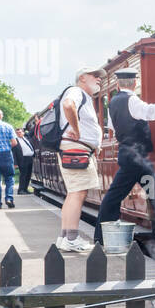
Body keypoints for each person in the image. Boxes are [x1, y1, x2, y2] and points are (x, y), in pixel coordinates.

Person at [95, 71, 155, 244]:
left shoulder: (112, 104)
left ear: (118, 85)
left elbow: (113, 126)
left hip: (129, 154)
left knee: (153, 189)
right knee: (151, 190)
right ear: (134, 84)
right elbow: (149, 112)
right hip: (136, 157)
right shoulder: (131, 100)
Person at [56, 68, 104, 253]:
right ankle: (72, 239)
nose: (99, 79)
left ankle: (64, 237)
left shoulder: (82, 95)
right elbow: (69, 105)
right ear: (82, 78)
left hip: (76, 149)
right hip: (77, 149)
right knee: (78, 194)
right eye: (95, 75)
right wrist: (76, 130)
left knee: (73, 193)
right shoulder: (76, 92)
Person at [15, 127, 35, 194]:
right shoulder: (15, 141)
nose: (19, 134)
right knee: (23, 175)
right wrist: (15, 163)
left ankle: (25, 189)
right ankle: (21, 190)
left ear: (23, 132)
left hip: (30, 158)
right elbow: (14, 152)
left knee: (28, 175)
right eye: (17, 133)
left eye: (20, 132)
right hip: (22, 159)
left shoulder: (26, 139)